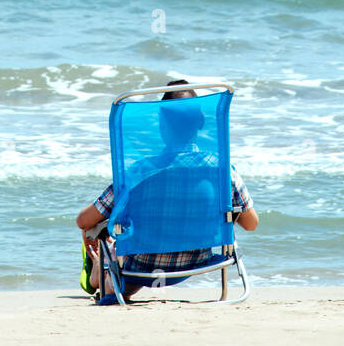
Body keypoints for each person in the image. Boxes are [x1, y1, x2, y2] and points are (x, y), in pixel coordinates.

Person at [76, 79, 258, 303]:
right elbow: (251, 224)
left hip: (143, 265)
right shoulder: (221, 171)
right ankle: (106, 270)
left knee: (102, 230)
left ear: (162, 123)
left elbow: (84, 221)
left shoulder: (139, 172)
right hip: (199, 260)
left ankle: (100, 267)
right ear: (199, 122)